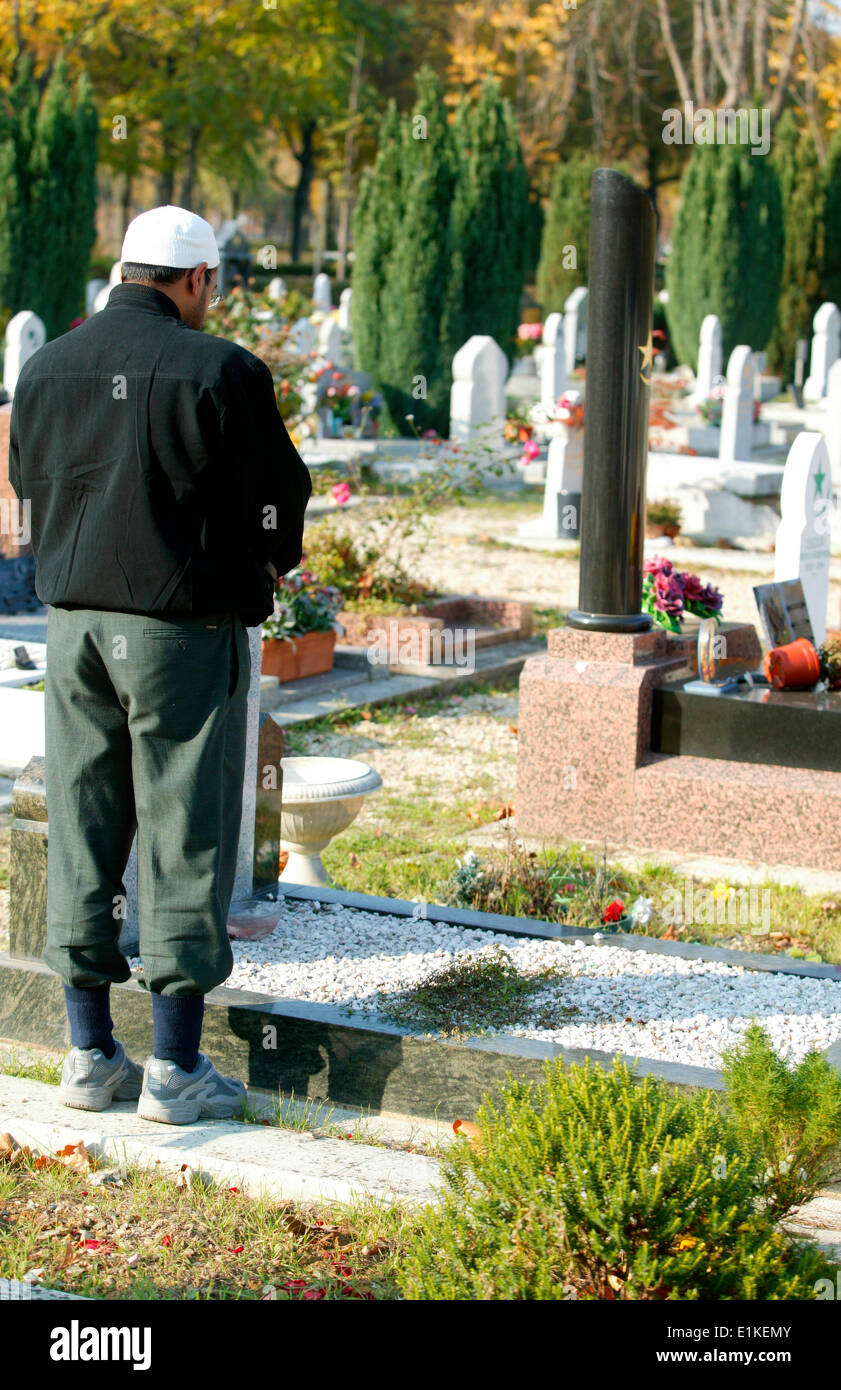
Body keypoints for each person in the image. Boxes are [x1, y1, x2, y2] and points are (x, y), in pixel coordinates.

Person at [9, 205, 312, 1124]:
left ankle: (89, 1054)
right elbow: (278, 501)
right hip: (180, 629)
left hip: (74, 631)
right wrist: (262, 565)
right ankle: (176, 1070)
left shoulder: (45, 367)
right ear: (197, 281)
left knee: (83, 819)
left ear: (124, 271)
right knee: (186, 827)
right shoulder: (220, 368)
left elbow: (27, 482)